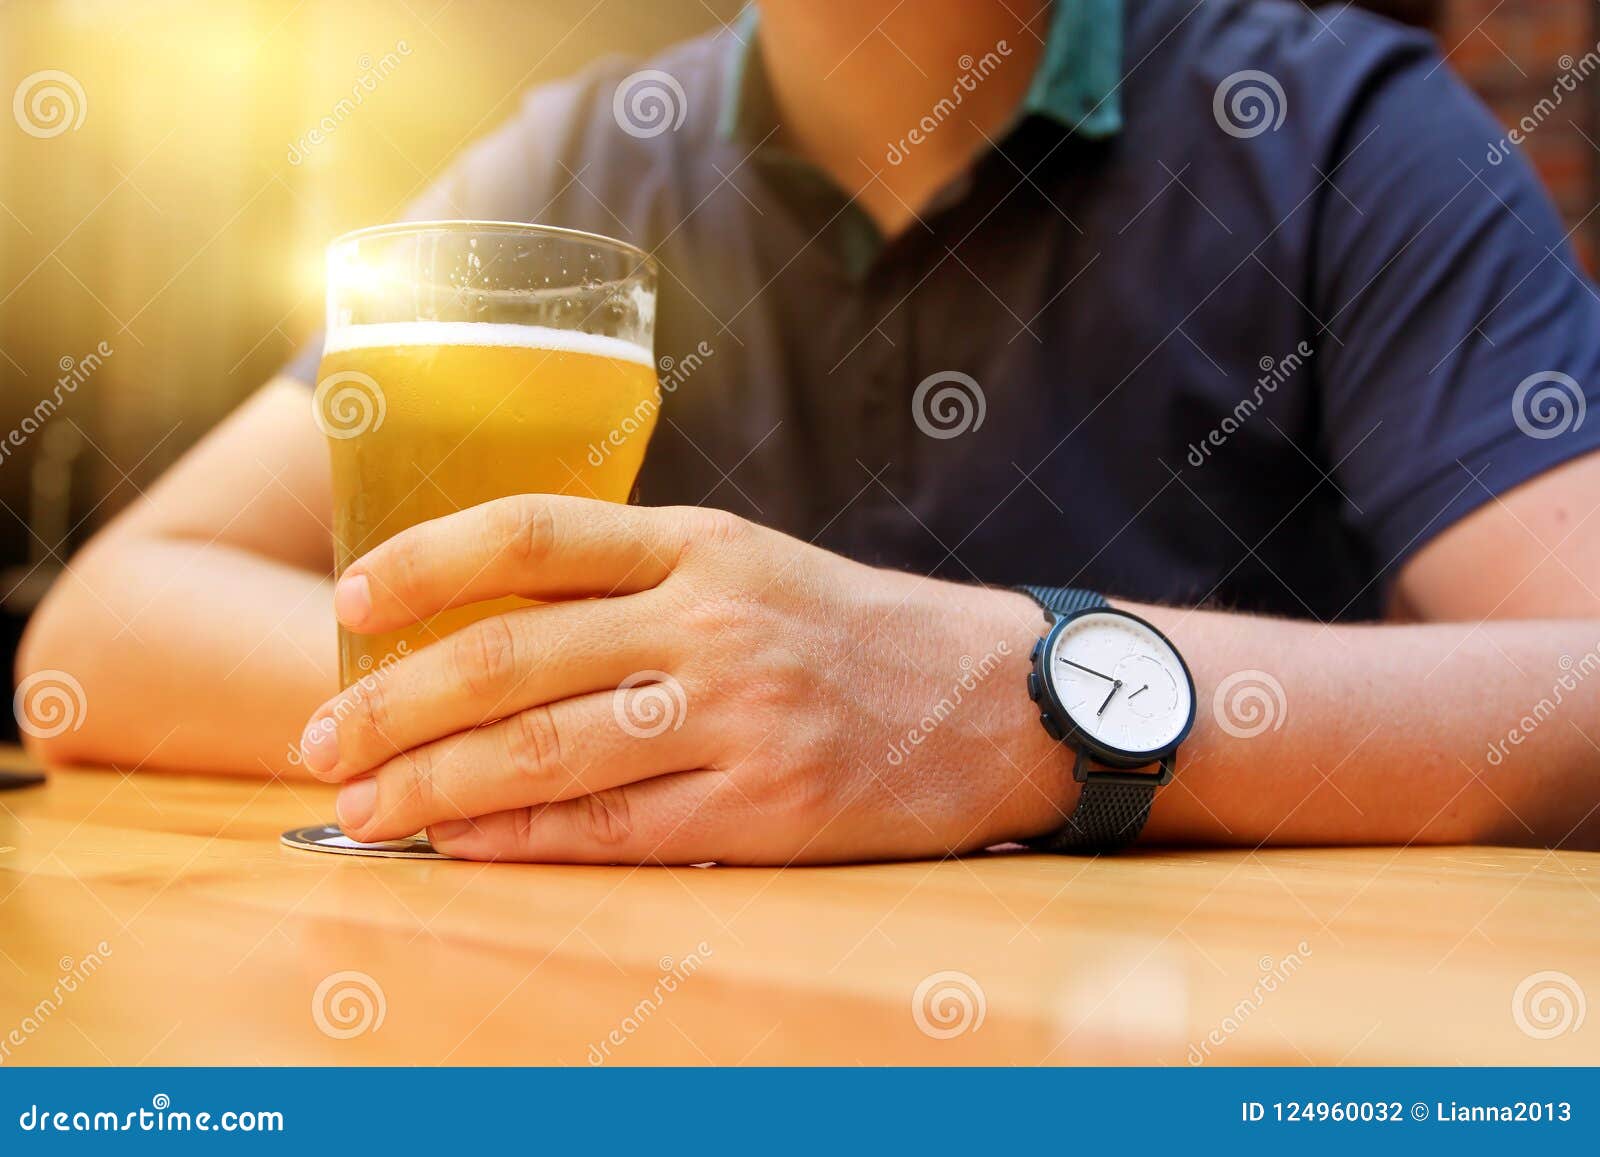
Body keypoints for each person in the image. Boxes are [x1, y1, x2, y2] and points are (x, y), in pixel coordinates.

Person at [17, 0, 1600, 862]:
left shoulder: (1336, 124)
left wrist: (1017, 701)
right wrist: (608, 708)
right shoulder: (574, 162)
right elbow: (105, 631)